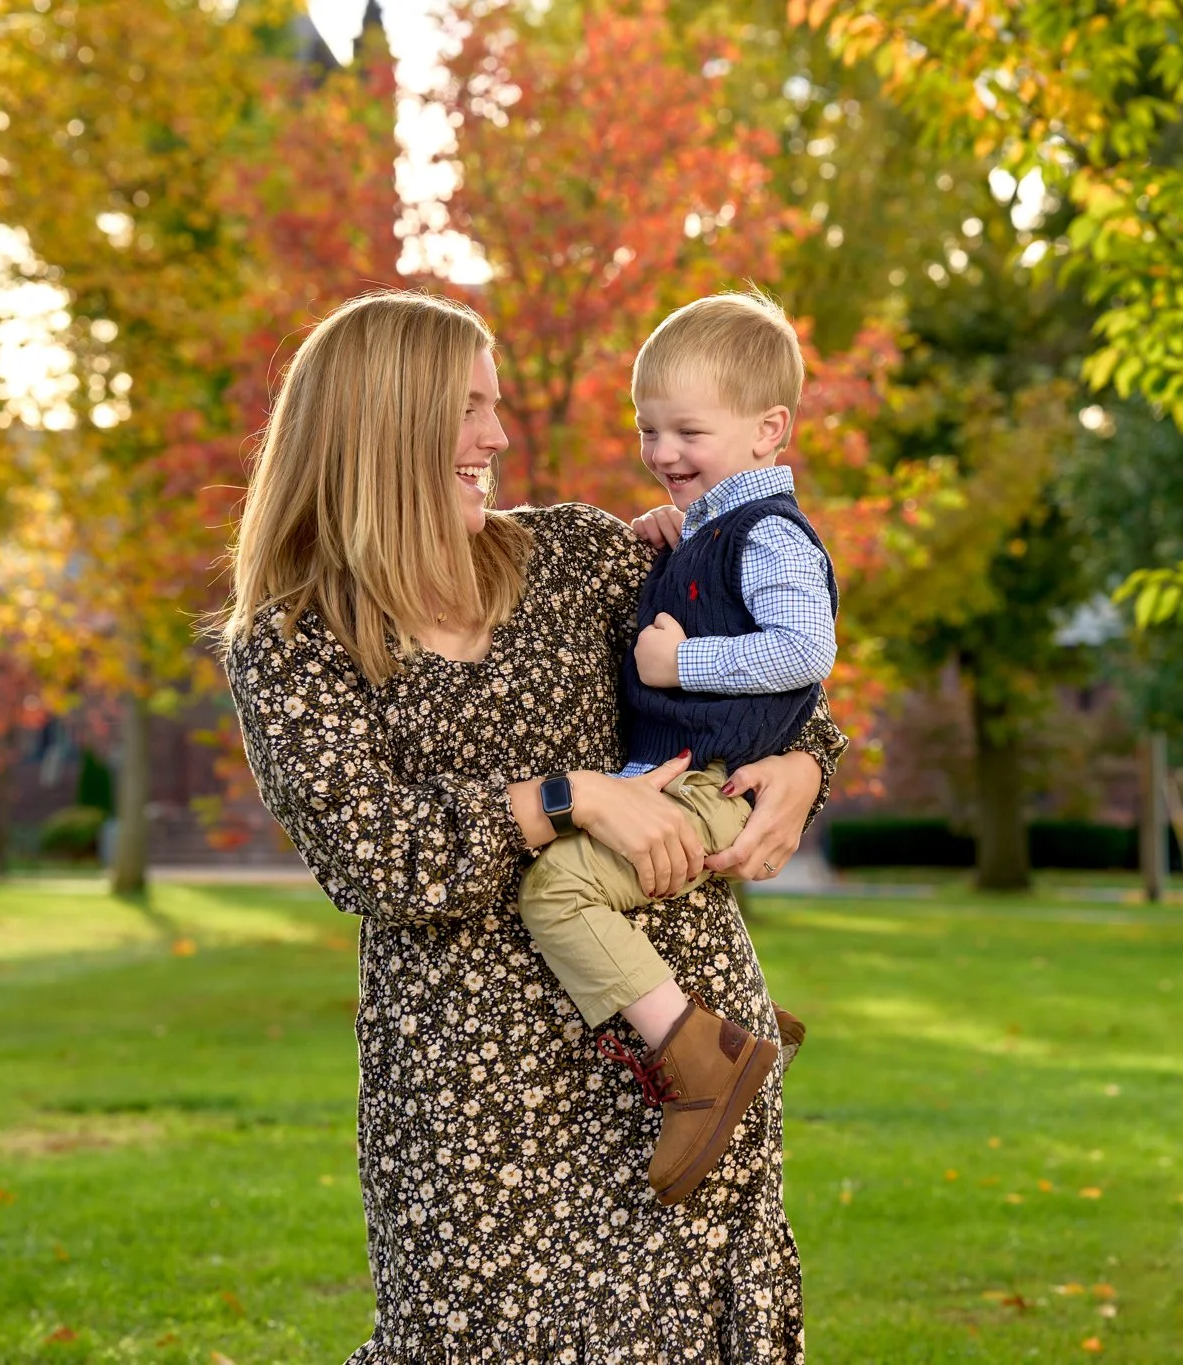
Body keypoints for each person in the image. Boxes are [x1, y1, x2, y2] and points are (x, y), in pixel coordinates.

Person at [220, 289, 842, 1361]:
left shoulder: (579, 559)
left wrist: (800, 771)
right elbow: (379, 858)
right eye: (468, 407)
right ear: (383, 418)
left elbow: (760, 694)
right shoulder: (291, 642)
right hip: (475, 1101)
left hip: (687, 1070)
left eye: (496, 407)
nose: (497, 438)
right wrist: (568, 796)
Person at [516, 290, 838, 1208]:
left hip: (714, 782)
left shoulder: (770, 533)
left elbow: (807, 650)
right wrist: (673, 538)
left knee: (561, 887)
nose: (661, 454)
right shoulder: (710, 528)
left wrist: (679, 656)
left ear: (769, 430)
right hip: (682, 774)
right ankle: (727, 1023)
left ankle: (705, 1062)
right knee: (614, 890)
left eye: (687, 431)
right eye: (647, 429)